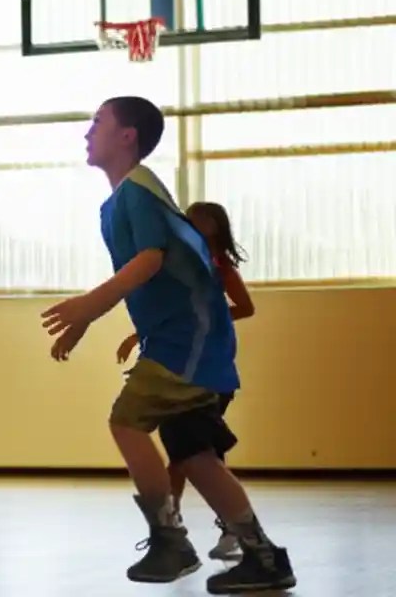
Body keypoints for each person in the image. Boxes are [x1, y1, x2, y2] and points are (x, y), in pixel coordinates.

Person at [41, 96, 295, 593]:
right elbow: (136, 273)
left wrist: (88, 306)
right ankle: (264, 558)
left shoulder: (137, 190)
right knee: (195, 453)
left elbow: (150, 262)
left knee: (127, 421)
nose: (86, 132)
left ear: (127, 136)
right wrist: (87, 321)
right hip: (187, 339)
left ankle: (170, 539)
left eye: (96, 122)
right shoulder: (123, 199)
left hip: (188, 341)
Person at [116, 200, 255, 560]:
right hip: (183, 369)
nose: (192, 224)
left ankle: (222, 532)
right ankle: (173, 526)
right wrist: (138, 338)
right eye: (189, 219)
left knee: (194, 454)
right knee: (185, 452)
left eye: (200, 220)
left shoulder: (218, 268)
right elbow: (166, 314)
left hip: (210, 375)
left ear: (215, 226)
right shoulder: (182, 269)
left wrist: (212, 315)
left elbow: (246, 307)